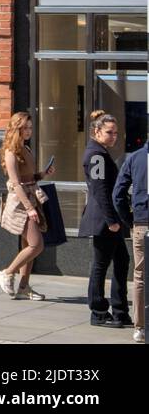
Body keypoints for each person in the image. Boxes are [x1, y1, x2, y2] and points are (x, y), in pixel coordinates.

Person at [0, 111, 56, 300]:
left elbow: (28, 177)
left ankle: (23, 287)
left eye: (30, 127)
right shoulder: (11, 152)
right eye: (25, 128)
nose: (28, 131)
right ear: (16, 129)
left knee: (27, 244)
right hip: (21, 202)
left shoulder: (26, 149)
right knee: (36, 245)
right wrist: (29, 208)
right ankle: (7, 272)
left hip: (31, 197)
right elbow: (15, 184)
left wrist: (43, 174)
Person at [80, 111, 131, 328]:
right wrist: (112, 220)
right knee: (101, 265)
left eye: (116, 133)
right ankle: (99, 311)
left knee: (122, 260)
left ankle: (120, 311)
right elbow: (101, 191)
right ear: (96, 132)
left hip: (110, 220)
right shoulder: (96, 155)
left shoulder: (100, 152)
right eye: (109, 132)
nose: (114, 136)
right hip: (104, 221)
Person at [113, 139, 147, 343]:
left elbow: (118, 195)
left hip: (142, 223)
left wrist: (130, 221)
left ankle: (140, 327)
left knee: (141, 276)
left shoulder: (134, 158)